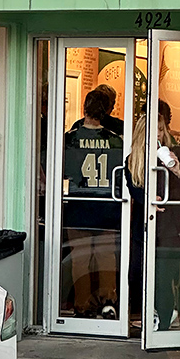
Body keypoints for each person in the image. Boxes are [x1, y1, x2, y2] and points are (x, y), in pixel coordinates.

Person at [124, 111, 180, 330]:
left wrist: (177, 171)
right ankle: (153, 314)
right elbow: (133, 188)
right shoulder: (133, 159)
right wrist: (148, 198)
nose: (158, 133)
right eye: (153, 129)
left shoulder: (176, 153)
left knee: (163, 277)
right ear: (141, 132)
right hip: (145, 225)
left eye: (160, 129)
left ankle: (163, 322)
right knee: (138, 274)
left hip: (171, 226)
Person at [63, 89, 123, 318]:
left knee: (80, 259)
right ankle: (108, 303)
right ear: (106, 111)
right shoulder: (115, 140)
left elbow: (62, 172)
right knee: (106, 257)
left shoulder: (70, 139)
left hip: (78, 205)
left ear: (84, 109)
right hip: (107, 206)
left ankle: (83, 305)